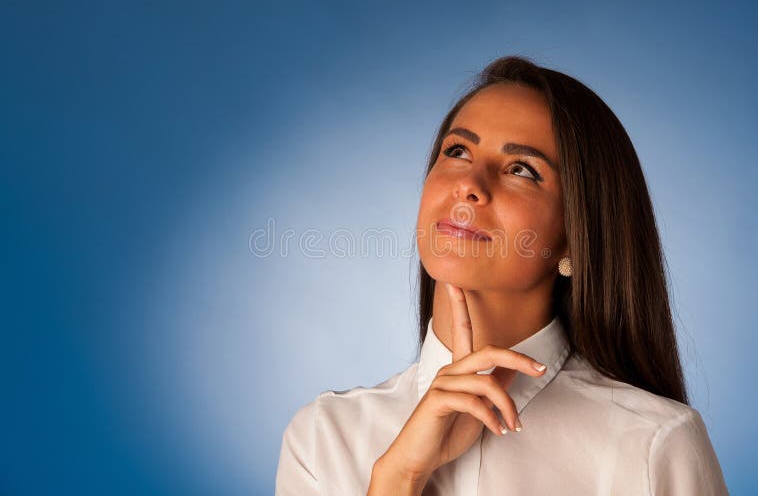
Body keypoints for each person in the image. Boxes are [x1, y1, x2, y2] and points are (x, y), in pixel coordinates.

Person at [275, 55, 729, 495]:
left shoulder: (654, 446)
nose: (469, 184)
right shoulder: (323, 439)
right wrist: (396, 479)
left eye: (522, 170)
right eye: (457, 151)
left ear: (577, 236)